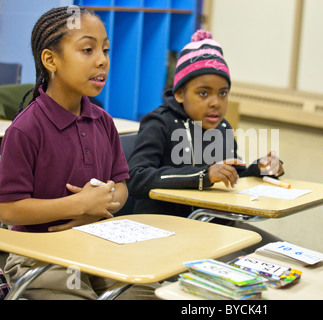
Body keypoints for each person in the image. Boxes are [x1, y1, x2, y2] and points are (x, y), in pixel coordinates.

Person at [0, 6, 155, 300]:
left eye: (106, 50)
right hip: (38, 256)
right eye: (87, 49)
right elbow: (7, 209)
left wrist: (102, 203)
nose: (102, 60)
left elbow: (121, 187)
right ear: (51, 60)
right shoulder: (25, 130)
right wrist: (79, 205)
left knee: (150, 292)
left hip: (95, 243)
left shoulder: (104, 121)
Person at [127, 30, 284, 251]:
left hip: (213, 226)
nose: (215, 103)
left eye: (223, 93)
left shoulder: (221, 127)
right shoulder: (159, 123)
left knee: (275, 252)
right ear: (180, 94)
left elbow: (230, 173)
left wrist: (259, 169)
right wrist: (203, 175)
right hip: (162, 230)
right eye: (203, 93)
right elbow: (137, 178)